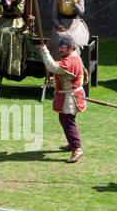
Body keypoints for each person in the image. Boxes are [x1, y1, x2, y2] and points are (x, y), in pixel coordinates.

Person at [36, 33, 86, 161]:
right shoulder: (71, 58)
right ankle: (72, 144)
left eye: (63, 47)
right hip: (68, 94)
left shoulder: (71, 61)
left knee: (68, 121)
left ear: (71, 47)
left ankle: (77, 149)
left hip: (71, 96)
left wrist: (45, 53)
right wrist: (53, 81)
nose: (60, 50)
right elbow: (64, 75)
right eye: (60, 47)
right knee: (64, 120)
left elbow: (54, 67)